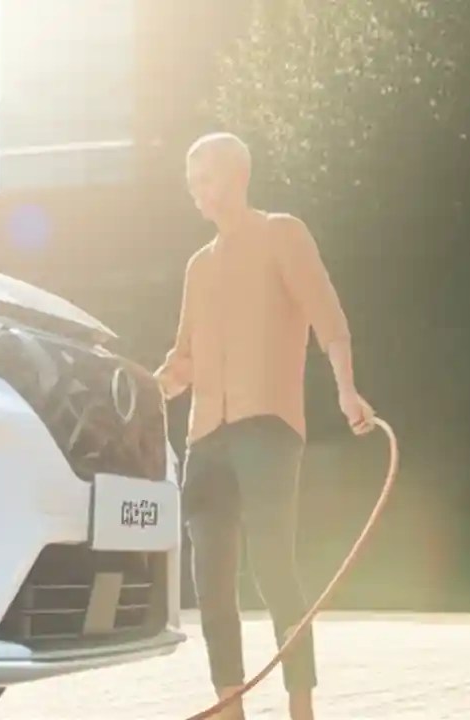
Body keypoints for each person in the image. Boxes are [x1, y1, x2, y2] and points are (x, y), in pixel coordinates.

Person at [154, 132, 376, 720]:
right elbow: (185, 357)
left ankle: (301, 706)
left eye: (206, 178)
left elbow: (328, 316)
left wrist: (346, 389)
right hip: (205, 439)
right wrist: (158, 382)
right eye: (192, 183)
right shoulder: (197, 267)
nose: (197, 192)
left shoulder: (282, 233)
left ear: (238, 175)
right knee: (211, 581)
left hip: (267, 429)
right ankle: (230, 708)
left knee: (274, 567)